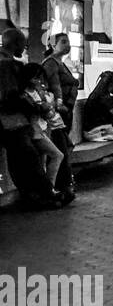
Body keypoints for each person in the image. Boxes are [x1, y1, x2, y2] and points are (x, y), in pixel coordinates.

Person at [0, 28, 61, 209]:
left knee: (19, 161)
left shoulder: (8, 63)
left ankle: (33, 195)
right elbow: (10, 96)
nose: (25, 47)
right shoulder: (6, 65)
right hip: (12, 121)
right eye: (23, 43)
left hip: (9, 122)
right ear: (17, 44)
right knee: (29, 159)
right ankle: (44, 195)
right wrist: (35, 106)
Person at [42, 33, 77, 199]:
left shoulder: (61, 63)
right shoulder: (51, 63)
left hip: (65, 113)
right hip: (58, 115)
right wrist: (60, 103)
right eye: (63, 42)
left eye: (68, 41)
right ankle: (61, 183)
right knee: (61, 147)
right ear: (53, 45)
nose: (67, 44)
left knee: (65, 146)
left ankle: (63, 181)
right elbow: (55, 85)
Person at [19, 63, 64, 190]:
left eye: (39, 78)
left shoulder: (37, 91)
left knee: (42, 161)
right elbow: (36, 109)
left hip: (43, 127)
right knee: (57, 155)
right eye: (35, 78)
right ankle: (49, 188)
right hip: (35, 130)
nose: (38, 81)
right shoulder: (25, 94)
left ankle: (45, 189)